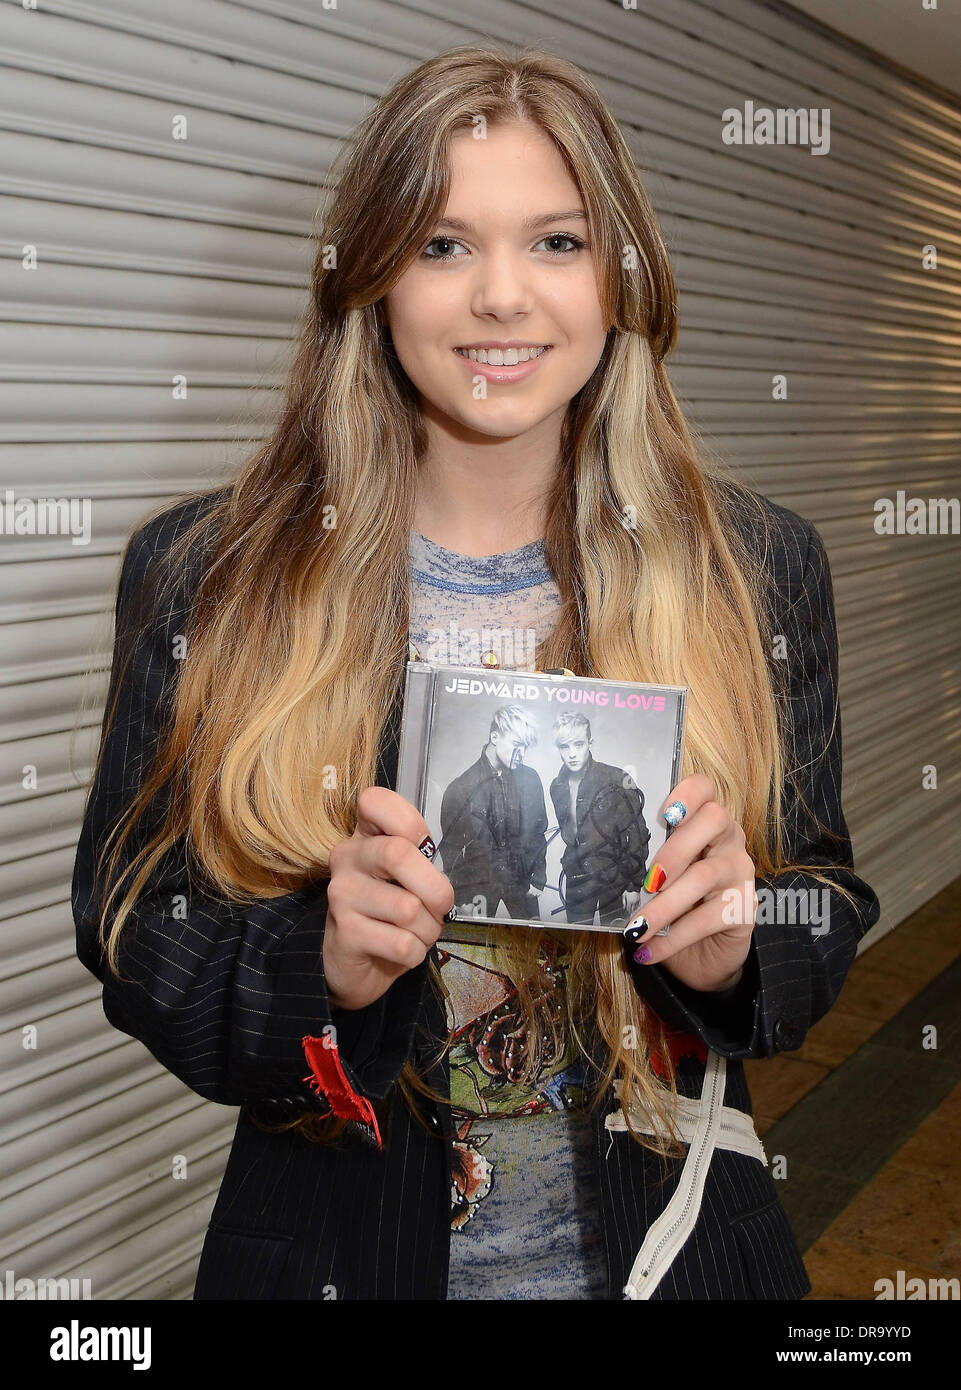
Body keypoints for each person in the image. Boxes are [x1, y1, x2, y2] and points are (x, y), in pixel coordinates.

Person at [72, 43, 881, 1301]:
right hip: (336, 1253)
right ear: (374, 276)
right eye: (444, 245)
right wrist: (318, 962)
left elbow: (822, 890)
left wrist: (734, 943)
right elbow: (135, 932)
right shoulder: (206, 574)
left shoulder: (755, 566)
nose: (502, 296)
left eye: (556, 242)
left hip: (676, 1261)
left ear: (619, 275)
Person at [436, 704, 549, 922]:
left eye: (526, 747)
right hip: (478, 884)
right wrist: (460, 894)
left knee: (536, 944)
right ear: (495, 736)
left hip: (522, 879)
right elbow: (452, 848)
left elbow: (538, 830)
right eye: (517, 744)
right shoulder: (461, 787)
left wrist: (539, 877)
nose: (522, 753)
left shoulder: (531, 779)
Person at [548, 711, 650, 928]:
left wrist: (633, 885)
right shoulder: (556, 787)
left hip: (614, 878)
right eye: (565, 747)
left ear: (589, 743)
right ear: (557, 748)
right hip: (577, 875)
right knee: (576, 940)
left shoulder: (616, 778)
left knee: (612, 945)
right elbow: (571, 833)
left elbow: (636, 833)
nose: (572, 754)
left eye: (578, 744)